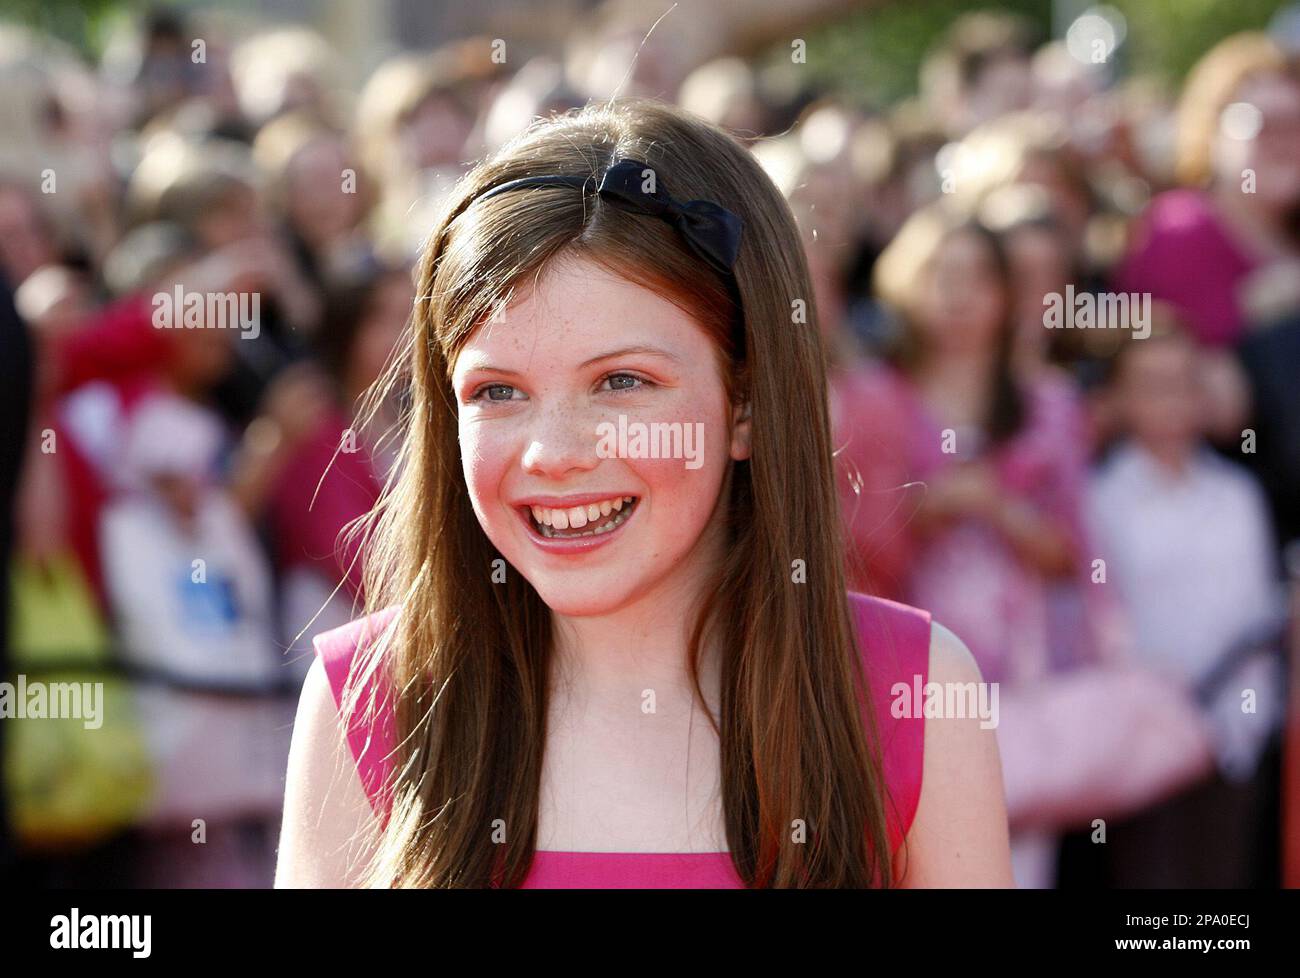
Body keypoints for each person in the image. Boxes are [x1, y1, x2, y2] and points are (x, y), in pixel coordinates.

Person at [276, 97, 1013, 889]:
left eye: (622, 381)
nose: (554, 454)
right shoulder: (366, 702)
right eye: (497, 392)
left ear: (748, 403)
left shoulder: (913, 689)